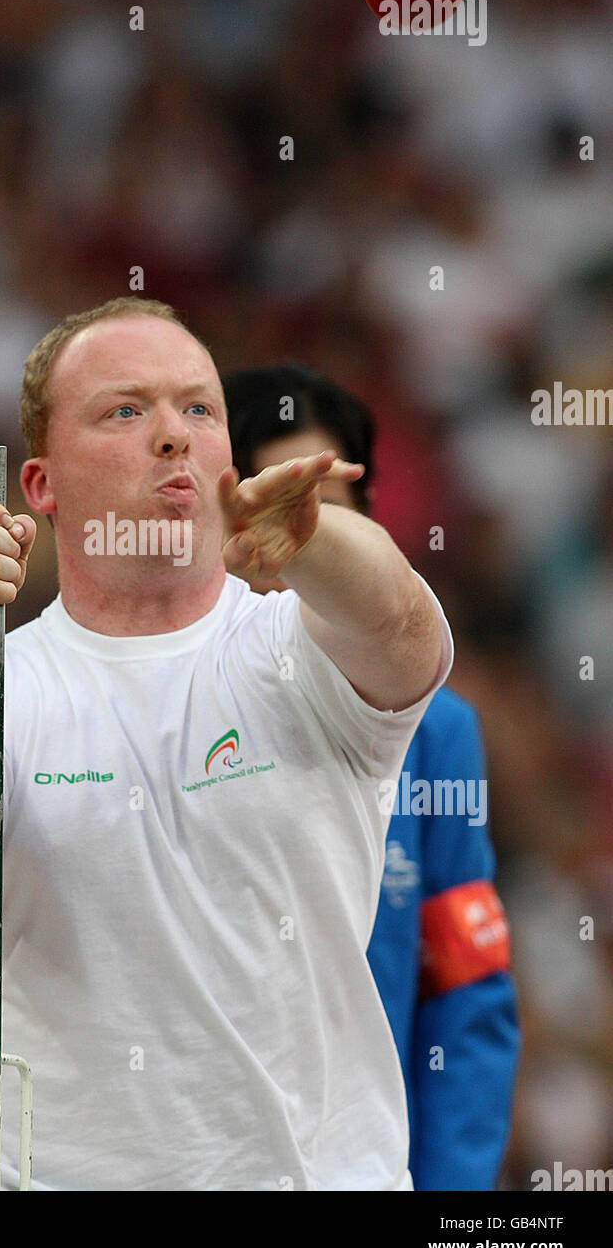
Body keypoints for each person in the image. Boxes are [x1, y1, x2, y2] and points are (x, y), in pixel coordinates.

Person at [0, 296, 453, 1191]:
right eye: (125, 411)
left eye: (198, 409)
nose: (173, 435)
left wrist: (311, 538)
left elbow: (408, 632)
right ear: (41, 485)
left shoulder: (290, 646)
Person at [219, 364, 519, 1190]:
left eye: (325, 511)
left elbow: (463, 988)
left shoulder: (439, 732)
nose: (300, 537)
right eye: (274, 506)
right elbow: (7, 979)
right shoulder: (149, 704)